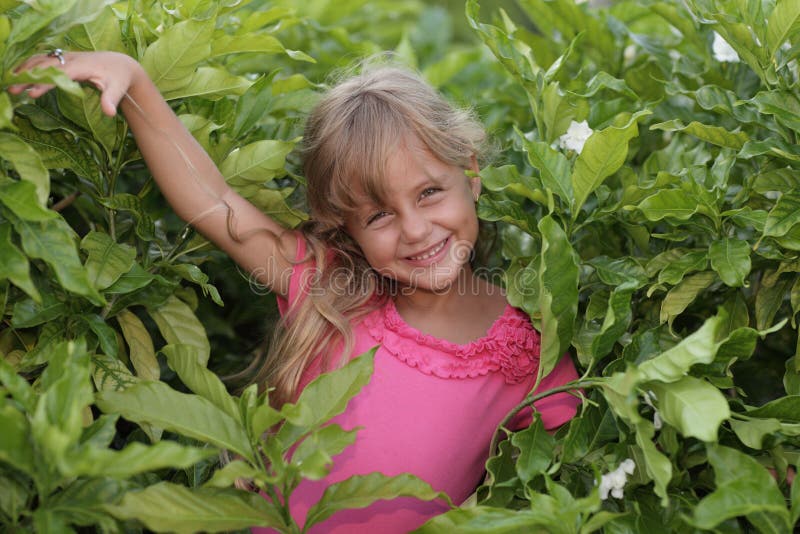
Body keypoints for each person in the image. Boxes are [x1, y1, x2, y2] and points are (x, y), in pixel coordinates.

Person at [11, 50, 581, 532]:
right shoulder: (331, 287)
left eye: (430, 192)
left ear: (472, 174)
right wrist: (130, 75)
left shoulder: (529, 352)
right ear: (345, 225)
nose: (414, 229)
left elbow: (571, 477)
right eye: (379, 214)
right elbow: (212, 201)